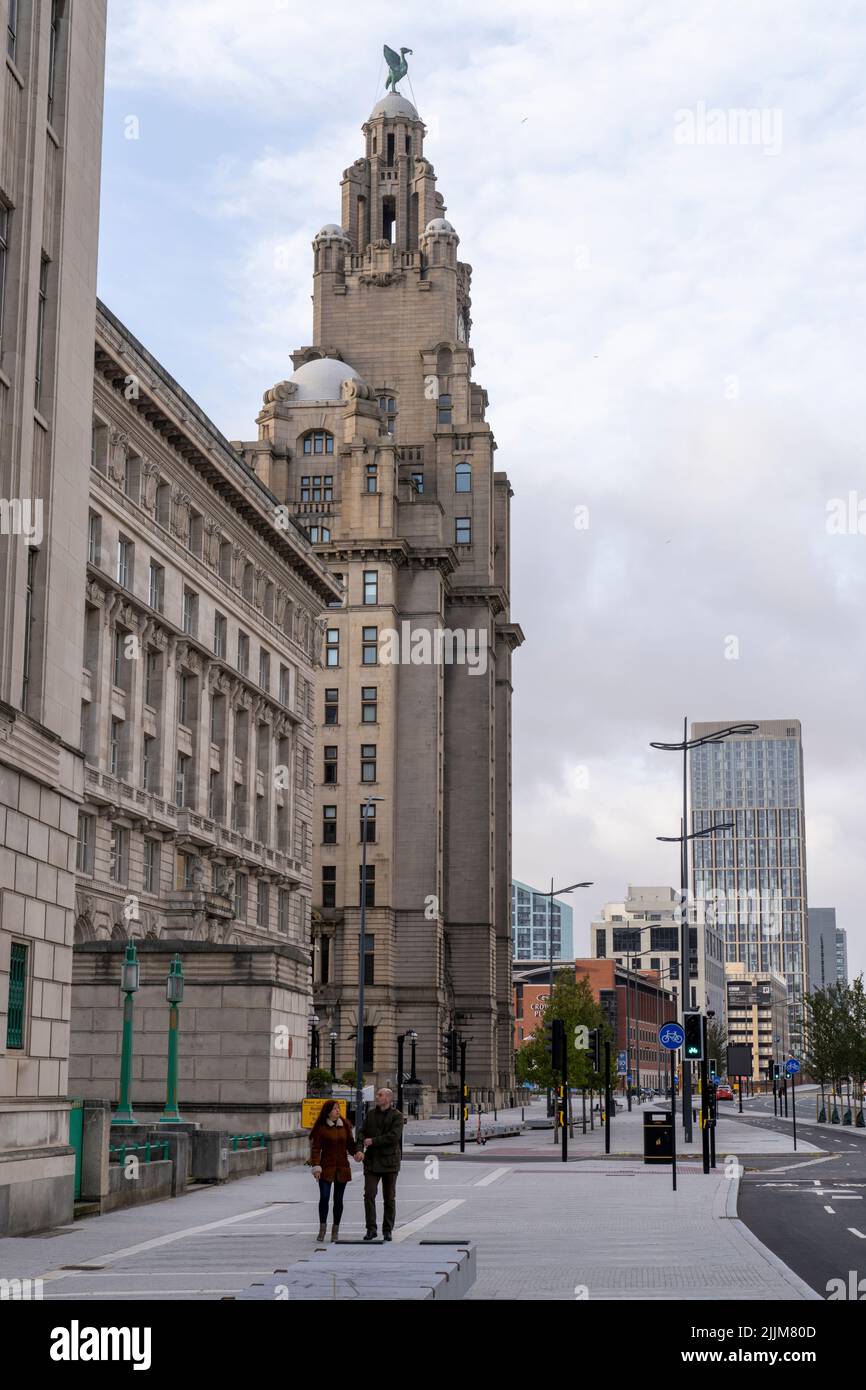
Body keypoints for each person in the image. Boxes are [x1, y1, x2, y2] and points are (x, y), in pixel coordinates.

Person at [355, 1087, 404, 1241]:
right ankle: (371, 1229)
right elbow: (361, 1133)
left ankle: (387, 1229)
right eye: (377, 1094)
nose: (377, 1097)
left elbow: (393, 1137)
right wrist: (359, 1150)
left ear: (388, 1099)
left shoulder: (397, 1116)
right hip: (372, 1162)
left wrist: (373, 1141)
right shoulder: (370, 1114)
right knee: (369, 1194)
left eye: (380, 1095)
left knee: (389, 1197)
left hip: (390, 1162)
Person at [309, 1099, 358, 1243]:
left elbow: (350, 1144)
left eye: (338, 1108)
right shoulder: (321, 1128)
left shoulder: (345, 1126)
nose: (338, 1111)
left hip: (342, 1168)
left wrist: (357, 1153)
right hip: (326, 1168)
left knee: (338, 1200)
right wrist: (316, 1166)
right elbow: (316, 1149)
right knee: (324, 1197)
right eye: (335, 1109)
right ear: (328, 1111)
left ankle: (335, 1229)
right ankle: (322, 1228)